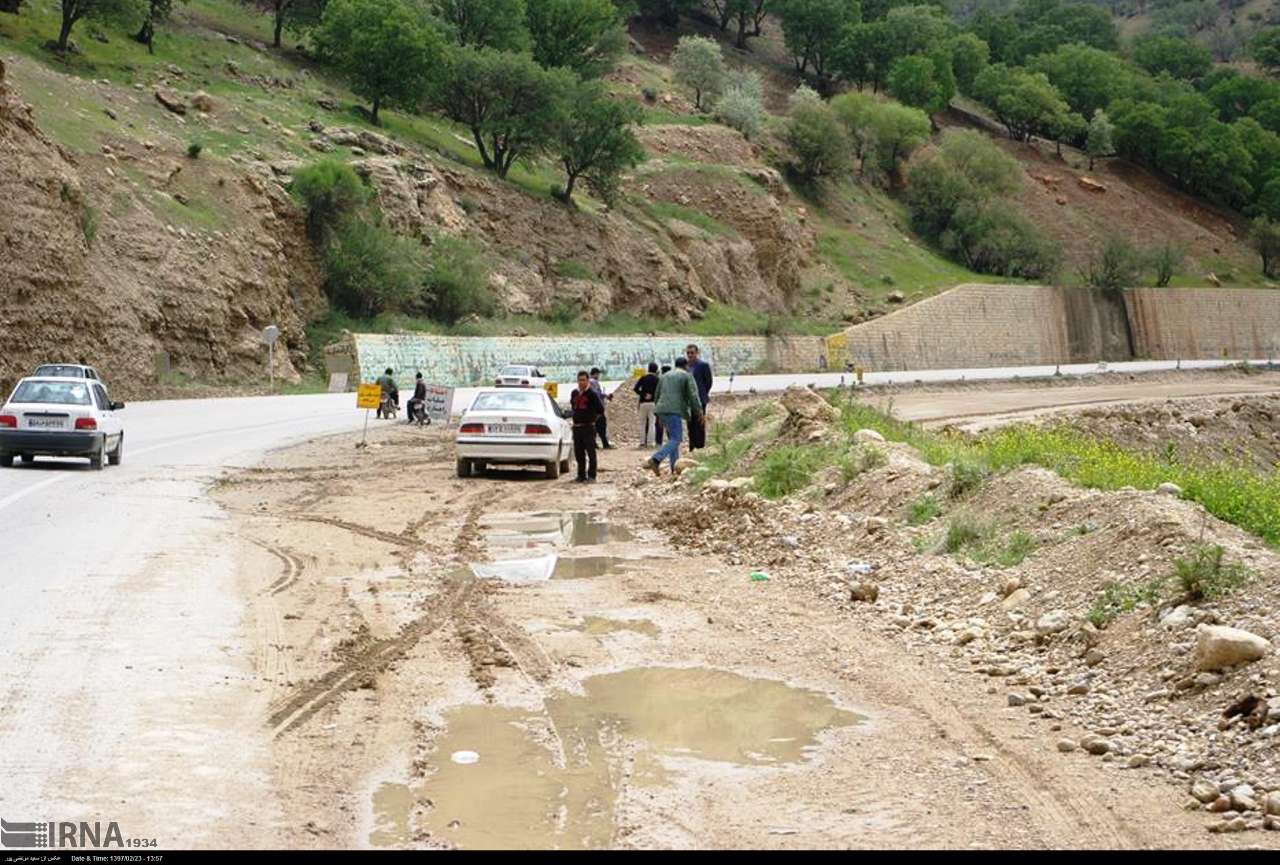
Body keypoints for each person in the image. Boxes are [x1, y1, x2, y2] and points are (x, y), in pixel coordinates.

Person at [646, 356, 703, 476]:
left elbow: (657, 395)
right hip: (674, 410)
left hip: (661, 410)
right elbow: (693, 395)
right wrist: (699, 411)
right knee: (676, 439)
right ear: (686, 366)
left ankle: (674, 469)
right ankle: (656, 459)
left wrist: (658, 414)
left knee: (672, 439)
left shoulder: (664, 376)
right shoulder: (687, 375)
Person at [570, 370, 605, 483]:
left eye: (583, 380)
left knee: (590, 452)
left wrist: (592, 419)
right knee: (579, 452)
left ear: (588, 380)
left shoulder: (592, 394)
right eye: (579, 380)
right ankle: (581, 475)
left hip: (588, 427)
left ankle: (592, 476)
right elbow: (573, 407)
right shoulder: (574, 393)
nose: (581, 382)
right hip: (577, 427)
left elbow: (600, 410)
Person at [685, 344, 713, 450]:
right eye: (688, 353)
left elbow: (708, 382)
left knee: (700, 422)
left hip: (700, 399)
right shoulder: (686, 366)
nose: (690, 355)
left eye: (692, 353)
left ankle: (700, 445)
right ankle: (692, 445)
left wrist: (703, 393)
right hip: (688, 400)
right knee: (690, 423)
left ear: (697, 353)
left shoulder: (703, 365)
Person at [633, 362, 659, 448]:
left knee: (642, 423)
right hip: (653, 403)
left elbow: (635, 389)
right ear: (656, 370)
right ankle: (650, 443)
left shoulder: (643, 377)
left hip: (643, 403)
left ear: (648, 369)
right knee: (652, 423)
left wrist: (643, 395)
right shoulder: (657, 379)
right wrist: (653, 396)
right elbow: (659, 391)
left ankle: (642, 442)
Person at [588, 367, 613, 449]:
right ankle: (604, 444)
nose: (598, 376)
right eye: (598, 374)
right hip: (597, 407)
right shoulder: (593, 382)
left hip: (593, 407)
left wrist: (605, 396)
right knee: (601, 425)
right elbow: (596, 394)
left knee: (595, 425)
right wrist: (605, 396)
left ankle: (595, 443)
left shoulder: (590, 382)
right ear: (595, 374)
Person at [654, 364, 672, 446]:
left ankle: (658, 442)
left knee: (659, 424)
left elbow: (657, 394)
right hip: (671, 406)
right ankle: (671, 440)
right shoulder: (673, 380)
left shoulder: (659, 380)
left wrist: (656, 405)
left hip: (661, 405)